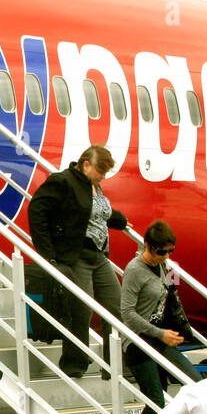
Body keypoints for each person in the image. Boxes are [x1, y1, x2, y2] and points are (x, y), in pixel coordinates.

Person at [28, 145, 127, 378]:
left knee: (115, 306)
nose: (103, 177)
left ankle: (117, 365)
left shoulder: (94, 186)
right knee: (80, 310)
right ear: (85, 165)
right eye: (100, 171)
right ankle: (74, 363)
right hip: (77, 255)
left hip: (100, 256)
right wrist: (47, 252)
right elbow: (37, 210)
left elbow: (92, 213)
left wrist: (118, 219)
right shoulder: (63, 181)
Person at [120, 220, 202, 414]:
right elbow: (127, 313)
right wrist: (159, 333)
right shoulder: (135, 269)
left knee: (195, 383)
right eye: (160, 252)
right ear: (147, 246)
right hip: (139, 341)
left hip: (161, 339)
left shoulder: (163, 267)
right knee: (156, 398)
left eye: (169, 251)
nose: (164, 257)